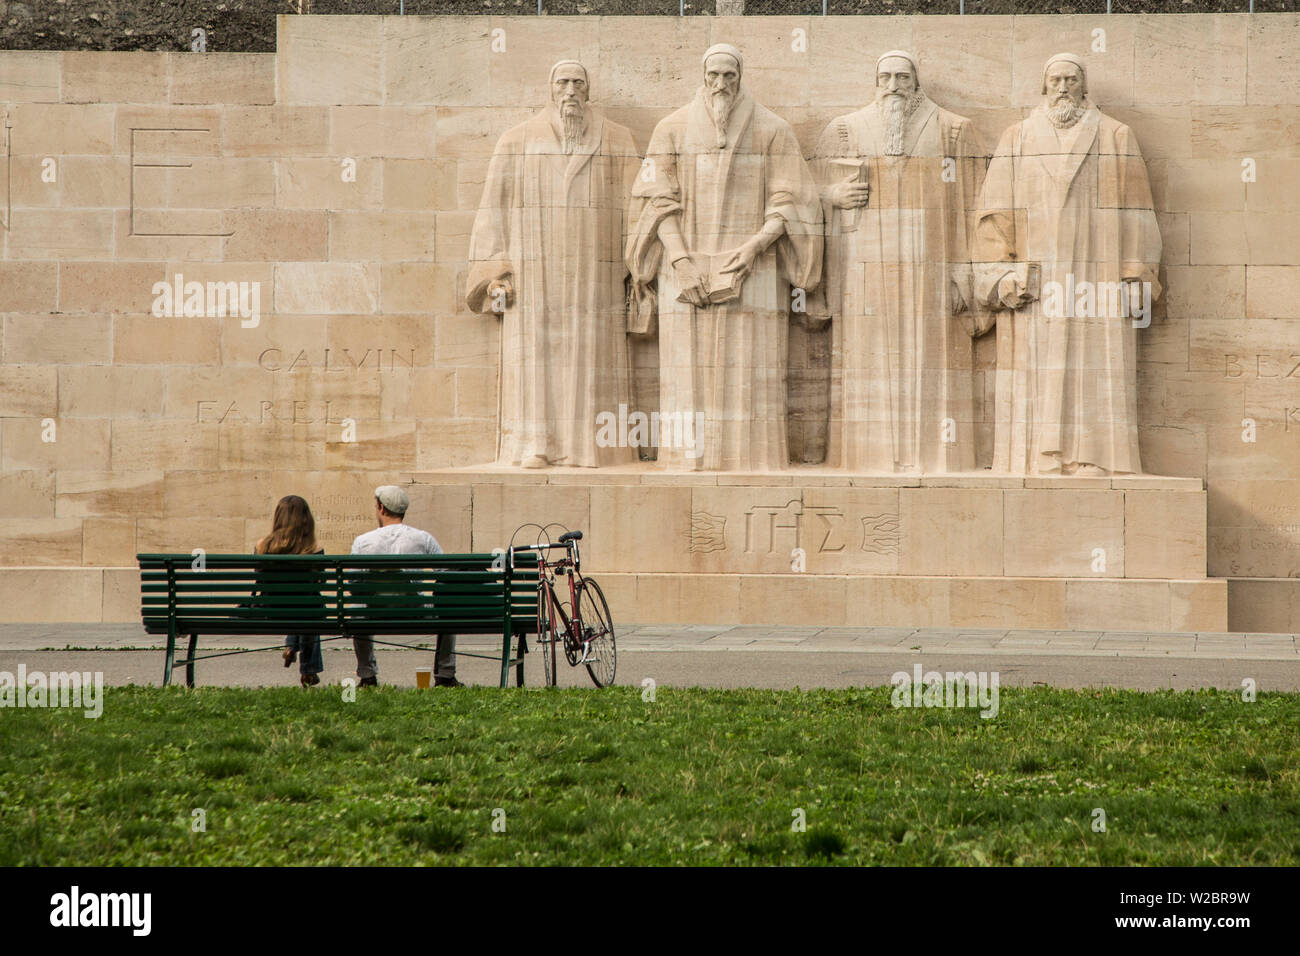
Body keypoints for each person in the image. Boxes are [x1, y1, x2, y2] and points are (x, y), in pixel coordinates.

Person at [626, 43, 823, 471]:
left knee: (751, 375)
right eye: (713, 75)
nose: (720, 84)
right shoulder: (672, 128)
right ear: (702, 76)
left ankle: (754, 462)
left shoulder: (773, 129)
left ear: (740, 78)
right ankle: (685, 462)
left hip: (756, 270)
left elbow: (791, 200)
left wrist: (754, 247)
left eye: (729, 76)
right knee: (686, 375)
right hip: (684, 270)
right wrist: (680, 262)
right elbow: (654, 200)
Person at [973, 53, 1162, 475]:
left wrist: (1136, 274)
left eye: (1071, 80)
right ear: (1044, 86)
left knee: (1095, 362)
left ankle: (1096, 456)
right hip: (1035, 278)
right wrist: (1001, 272)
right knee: (1036, 364)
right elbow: (994, 211)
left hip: (1098, 273)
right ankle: (1034, 458)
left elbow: (1137, 209)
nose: (1063, 88)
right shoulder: (1017, 137)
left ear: (1083, 87)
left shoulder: (1115, 136)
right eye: (1055, 80)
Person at [812, 50, 988, 473]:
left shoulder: (953, 131)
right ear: (876, 83)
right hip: (862, 269)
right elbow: (804, 192)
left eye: (902, 77)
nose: (893, 85)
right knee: (865, 356)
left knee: (935, 358)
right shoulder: (844, 131)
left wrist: (966, 271)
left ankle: (937, 456)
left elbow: (978, 206)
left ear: (916, 83)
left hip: (932, 265)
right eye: (885, 77)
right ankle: (865, 456)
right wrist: (831, 197)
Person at [466, 59, 641, 468]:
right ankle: (534, 444)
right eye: (562, 82)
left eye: (578, 83)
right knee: (536, 356)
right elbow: (492, 210)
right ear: (550, 89)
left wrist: (636, 268)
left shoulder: (617, 139)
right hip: (533, 273)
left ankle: (589, 445)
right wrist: (492, 274)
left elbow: (639, 206)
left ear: (588, 90)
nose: (570, 91)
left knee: (589, 356)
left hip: (594, 274)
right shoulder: (516, 140)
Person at [349, 485, 461, 688]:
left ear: (381, 508)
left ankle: (367, 676)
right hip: (415, 611)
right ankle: (445, 674)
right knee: (448, 609)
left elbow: (353, 586)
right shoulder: (423, 538)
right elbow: (446, 575)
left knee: (357, 610)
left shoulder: (362, 542)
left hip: (375, 612)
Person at [254, 495, 325, 688]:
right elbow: (321, 583)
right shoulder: (313, 548)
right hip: (306, 611)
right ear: (306, 519)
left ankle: (291, 645)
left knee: (302, 604)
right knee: (310, 605)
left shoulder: (262, 546)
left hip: (271, 611)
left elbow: (259, 582)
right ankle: (308, 670)